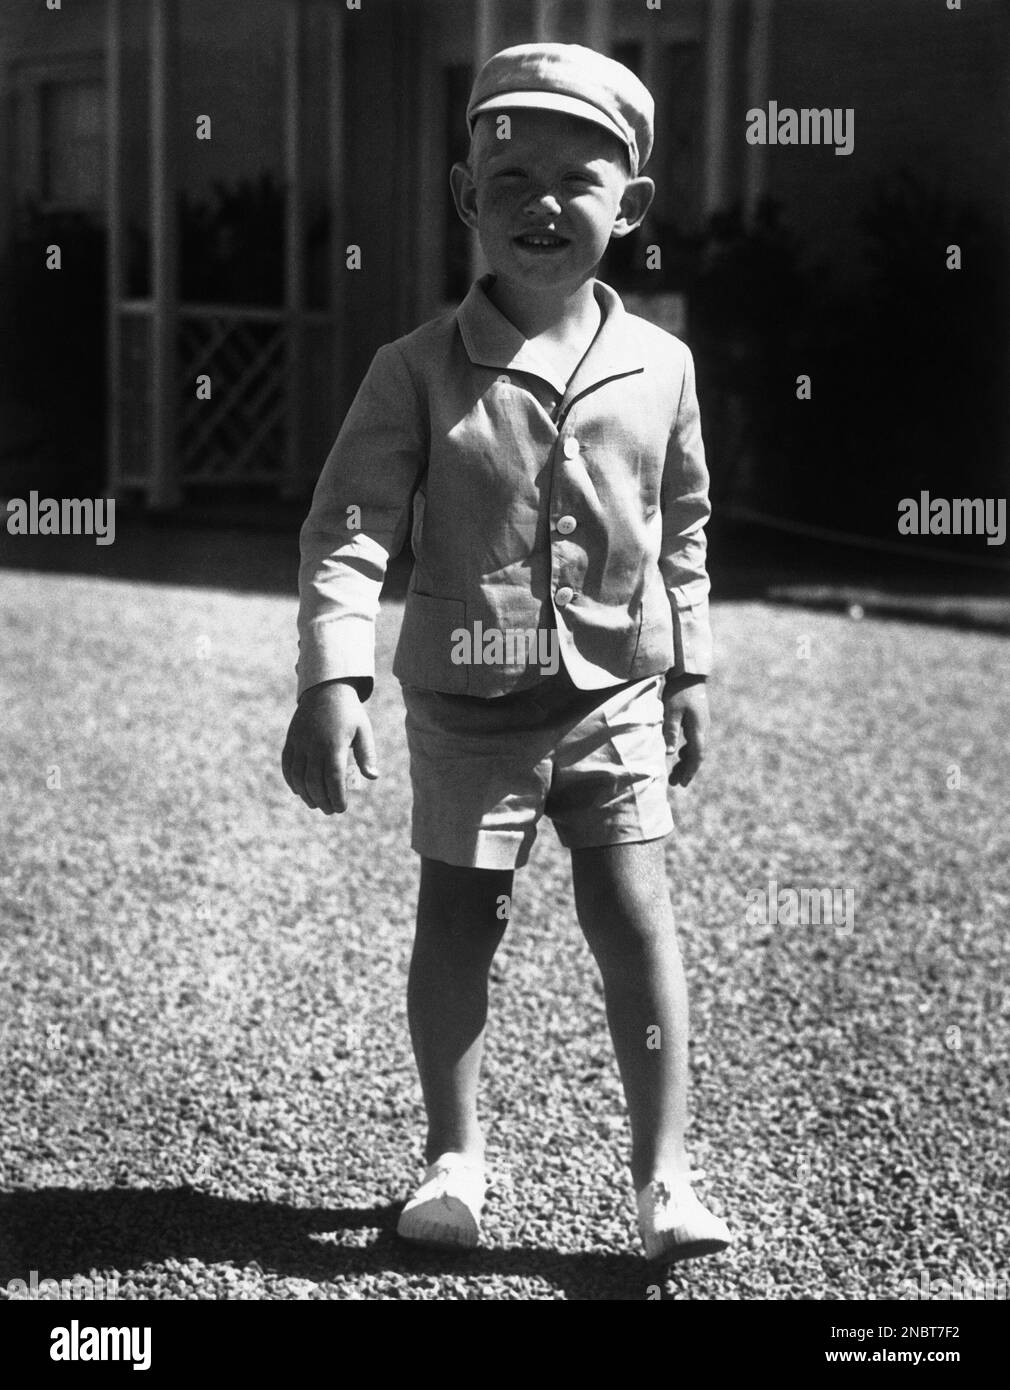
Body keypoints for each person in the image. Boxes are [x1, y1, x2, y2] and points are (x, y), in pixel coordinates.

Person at [282, 42, 731, 1264]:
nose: (541, 203)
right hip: (469, 705)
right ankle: (454, 1159)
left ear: (629, 206)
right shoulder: (414, 370)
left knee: (633, 918)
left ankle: (663, 1177)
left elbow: (683, 526)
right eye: (510, 176)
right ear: (463, 196)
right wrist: (332, 675)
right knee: (460, 919)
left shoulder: (662, 367)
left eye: (576, 180)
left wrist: (689, 665)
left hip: (611, 696)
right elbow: (348, 529)